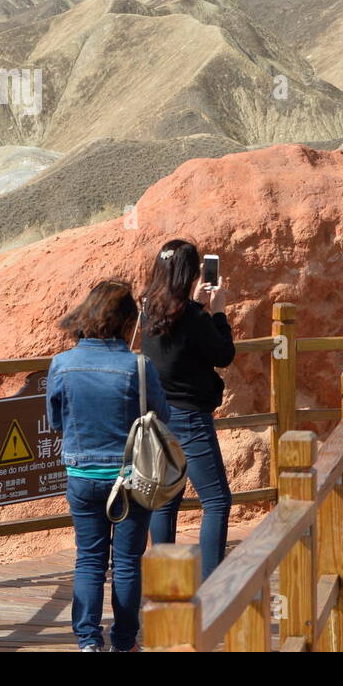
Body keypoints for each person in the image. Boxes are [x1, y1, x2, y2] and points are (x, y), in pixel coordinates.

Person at [47, 280, 170, 652]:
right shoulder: (138, 366)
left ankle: (87, 642)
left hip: (82, 477)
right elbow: (161, 416)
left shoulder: (62, 364)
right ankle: (124, 642)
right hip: (131, 478)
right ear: (125, 322)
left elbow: (56, 421)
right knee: (128, 562)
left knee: (89, 560)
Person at [139, 240, 236, 580]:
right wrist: (219, 311)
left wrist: (198, 306)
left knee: (166, 499)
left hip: (158, 414)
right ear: (189, 274)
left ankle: (163, 584)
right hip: (191, 417)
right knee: (217, 501)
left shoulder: (148, 306)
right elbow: (223, 354)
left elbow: (175, 345)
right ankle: (213, 587)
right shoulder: (193, 316)